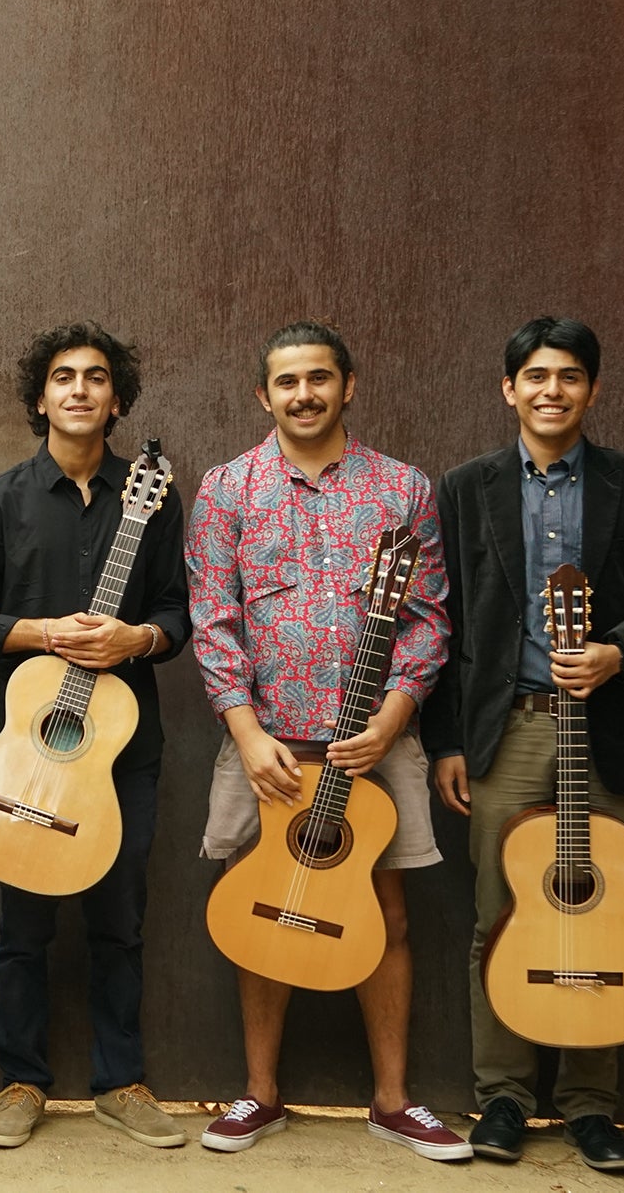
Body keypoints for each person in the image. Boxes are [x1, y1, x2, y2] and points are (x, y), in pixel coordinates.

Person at [422, 317, 624, 1174]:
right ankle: (503, 1097)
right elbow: (443, 625)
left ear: (593, 389)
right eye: (536, 376)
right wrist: (447, 741)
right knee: (500, 916)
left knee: (597, 912)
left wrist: (620, 651)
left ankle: (589, 1106)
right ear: (509, 389)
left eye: (570, 376)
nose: (552, 391)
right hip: (506, 730)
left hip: (608, 730)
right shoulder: (463, 488)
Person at [185, 319, 470, 1161]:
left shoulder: (402, 489)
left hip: (375, 745)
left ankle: (392, 1100)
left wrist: (392, 719)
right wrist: (246, 733)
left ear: (349, 386)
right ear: (263, 395)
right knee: (258, 910)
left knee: (388, 915)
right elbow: (213, 619)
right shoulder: (227, 489)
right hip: (266, 747)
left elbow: (429, 619)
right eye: (287, 382)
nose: (303, 394)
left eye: (319, 378)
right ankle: (260, 1093)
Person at [0, 323, 191, 1150]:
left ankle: (121, 1082)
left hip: (123, 752)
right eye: (62, 377)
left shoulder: (151, 496)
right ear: (40, 397)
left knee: (120, 921)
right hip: (24, 750)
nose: (78, 389)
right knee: (24, 929)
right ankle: (21, 1082)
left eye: (95, 377)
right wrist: (43, 633)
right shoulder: (0, 500)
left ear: (117, 400)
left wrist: (135, 639)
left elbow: (176, 613)